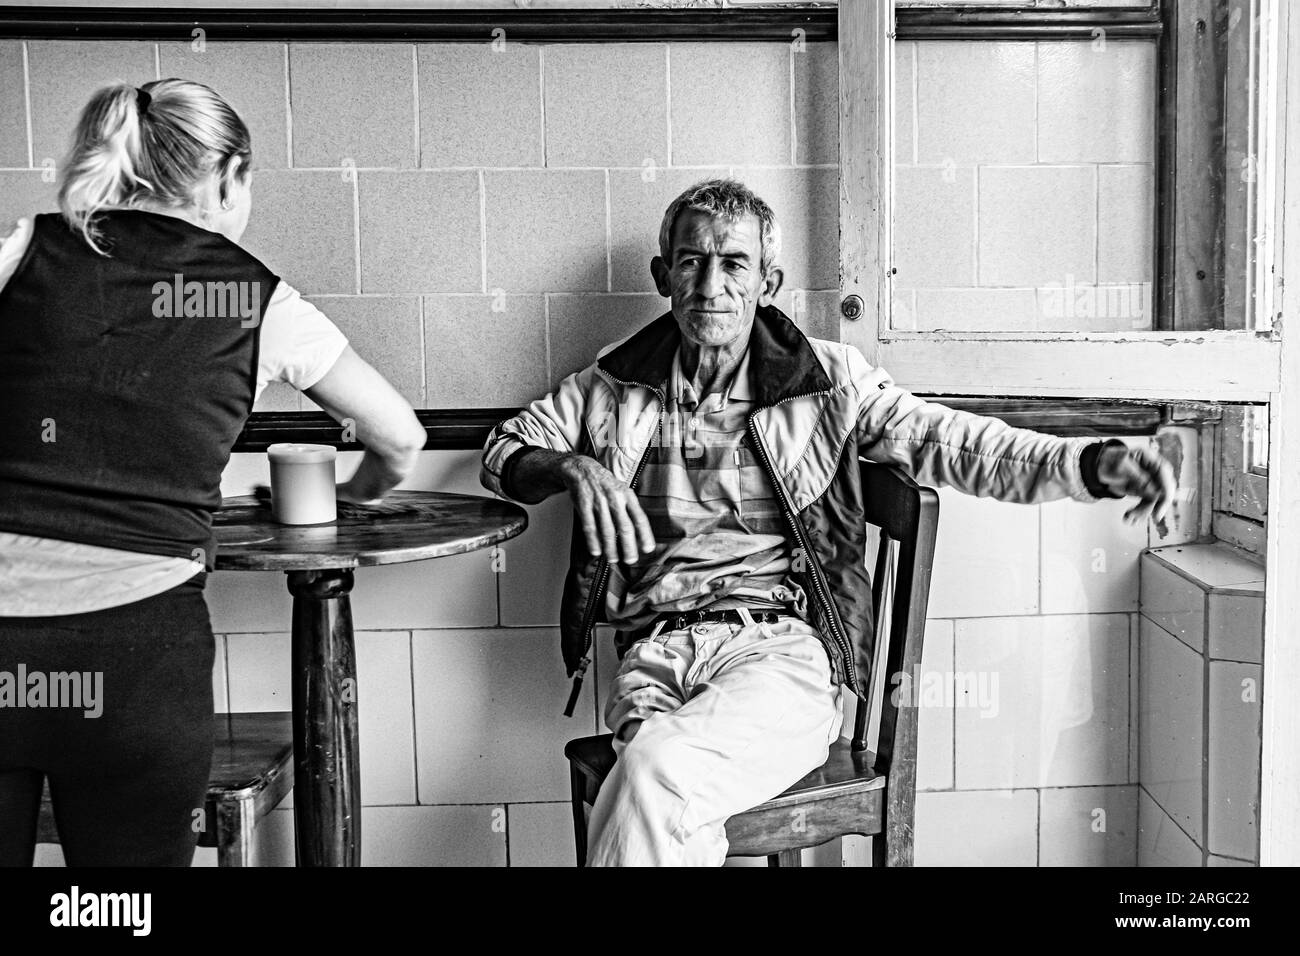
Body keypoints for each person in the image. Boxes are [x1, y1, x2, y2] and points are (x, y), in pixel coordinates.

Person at [480, 177, 1177, 867]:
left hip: (776, 655)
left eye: (734, 263)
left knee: (655, 778)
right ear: (665, 275)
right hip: (653, 658)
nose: (710, 284)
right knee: (663, 806)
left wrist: (1094, 463)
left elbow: (958, 444)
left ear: (768, 281)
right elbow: (503, 451)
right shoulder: (610, 387)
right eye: (692, 260)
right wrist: (572, 469)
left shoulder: (826, 382)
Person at [0, 79, 427, 866]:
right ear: (229, 178)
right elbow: (398, 436)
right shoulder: (256, 299)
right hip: (136, 657)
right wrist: (350, 495)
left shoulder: (27, 247)